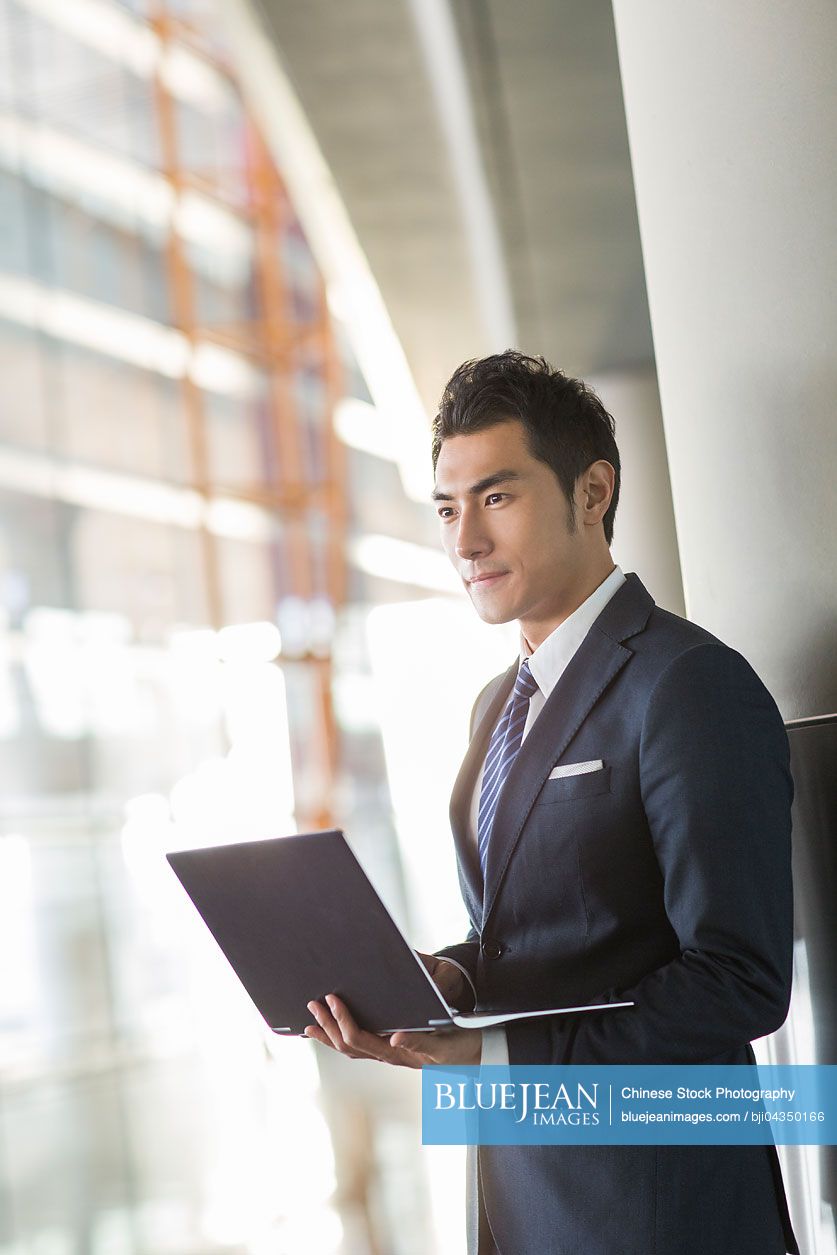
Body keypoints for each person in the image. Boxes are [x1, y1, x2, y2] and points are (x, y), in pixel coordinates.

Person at [305, 351, 799, 1254]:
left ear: (591, 492)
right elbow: (526, 936)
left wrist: (495, 1057)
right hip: (519, 1193)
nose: (465, 542)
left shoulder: (688, 685)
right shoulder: (496, 705)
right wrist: (442, 981)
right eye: (448, 508)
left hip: (653, 1206)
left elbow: (739, 979)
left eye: (496, 497)